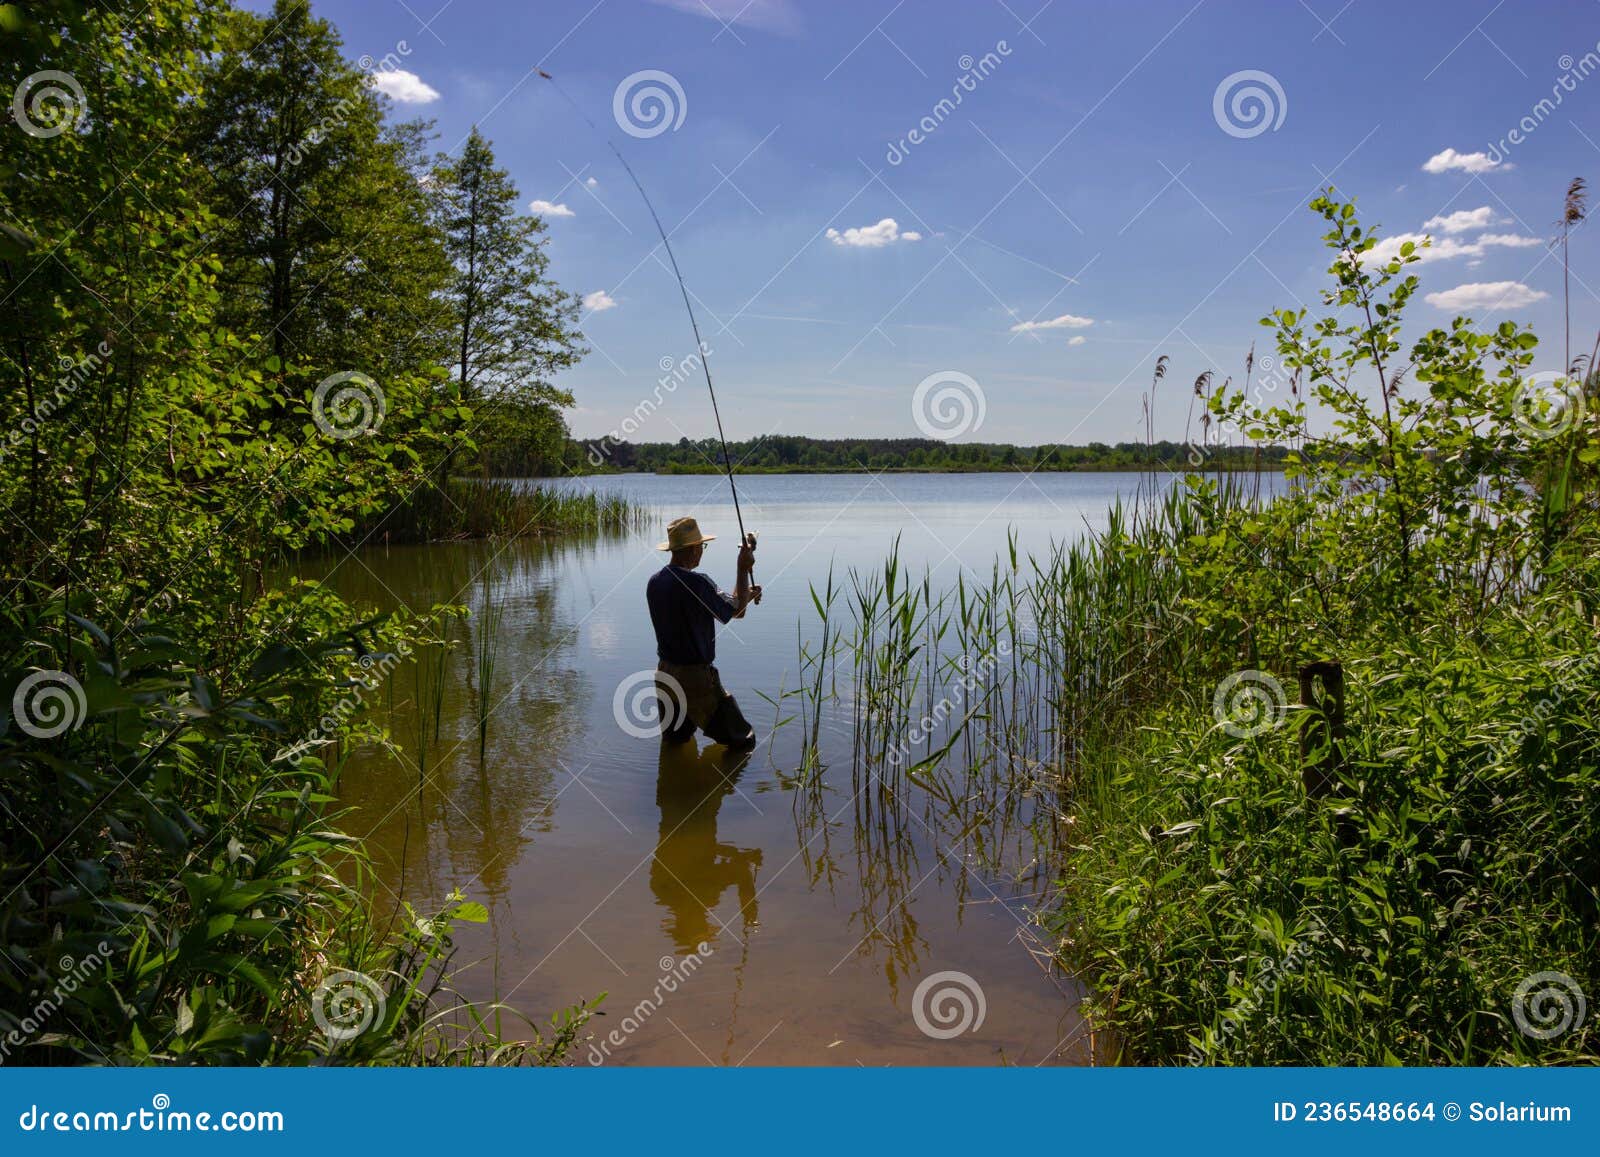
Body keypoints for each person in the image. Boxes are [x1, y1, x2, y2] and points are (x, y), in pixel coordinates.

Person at [645, 516, 762, 749]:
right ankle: (724, 783)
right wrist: (742, 567)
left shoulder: (655, 582)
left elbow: (729, 604)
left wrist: (745, 594)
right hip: (695, 680)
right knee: (744, 741)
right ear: (692, 549)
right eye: (701, 546)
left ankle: (679, 784)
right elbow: (736, 611)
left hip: (664, 675)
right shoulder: (698, 584)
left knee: (675, 745)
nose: (702, 551)